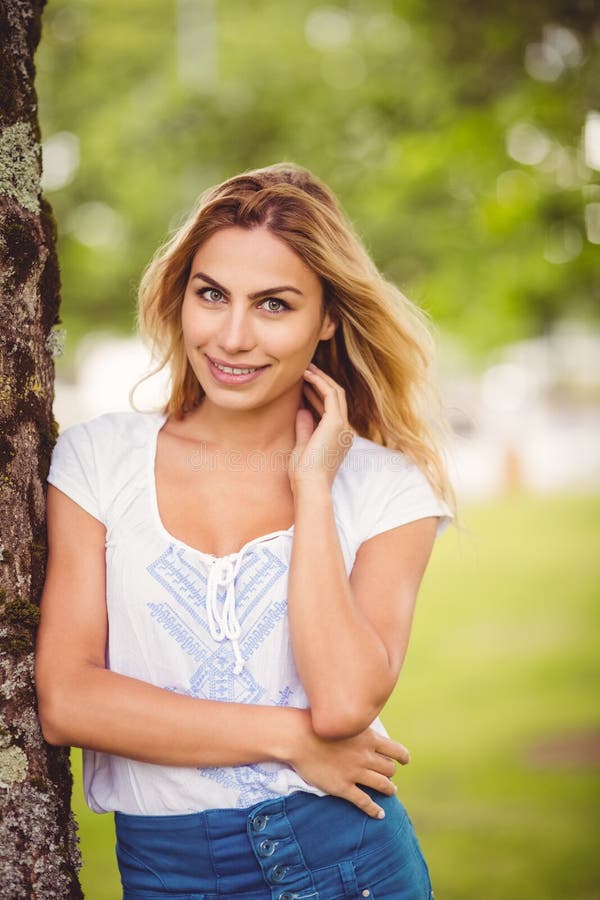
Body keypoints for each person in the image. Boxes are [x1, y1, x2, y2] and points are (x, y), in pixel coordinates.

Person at [36, 162, 456, 899]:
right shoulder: (98, 460)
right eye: (211, 295)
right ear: (181, 298)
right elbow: (69, 700)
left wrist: (313, 487)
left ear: (327, 318)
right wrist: (291, 739)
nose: (232, 337)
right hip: (170, 875)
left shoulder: (388, 490)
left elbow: (344, 703)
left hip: (352, 865)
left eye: (274, 305)